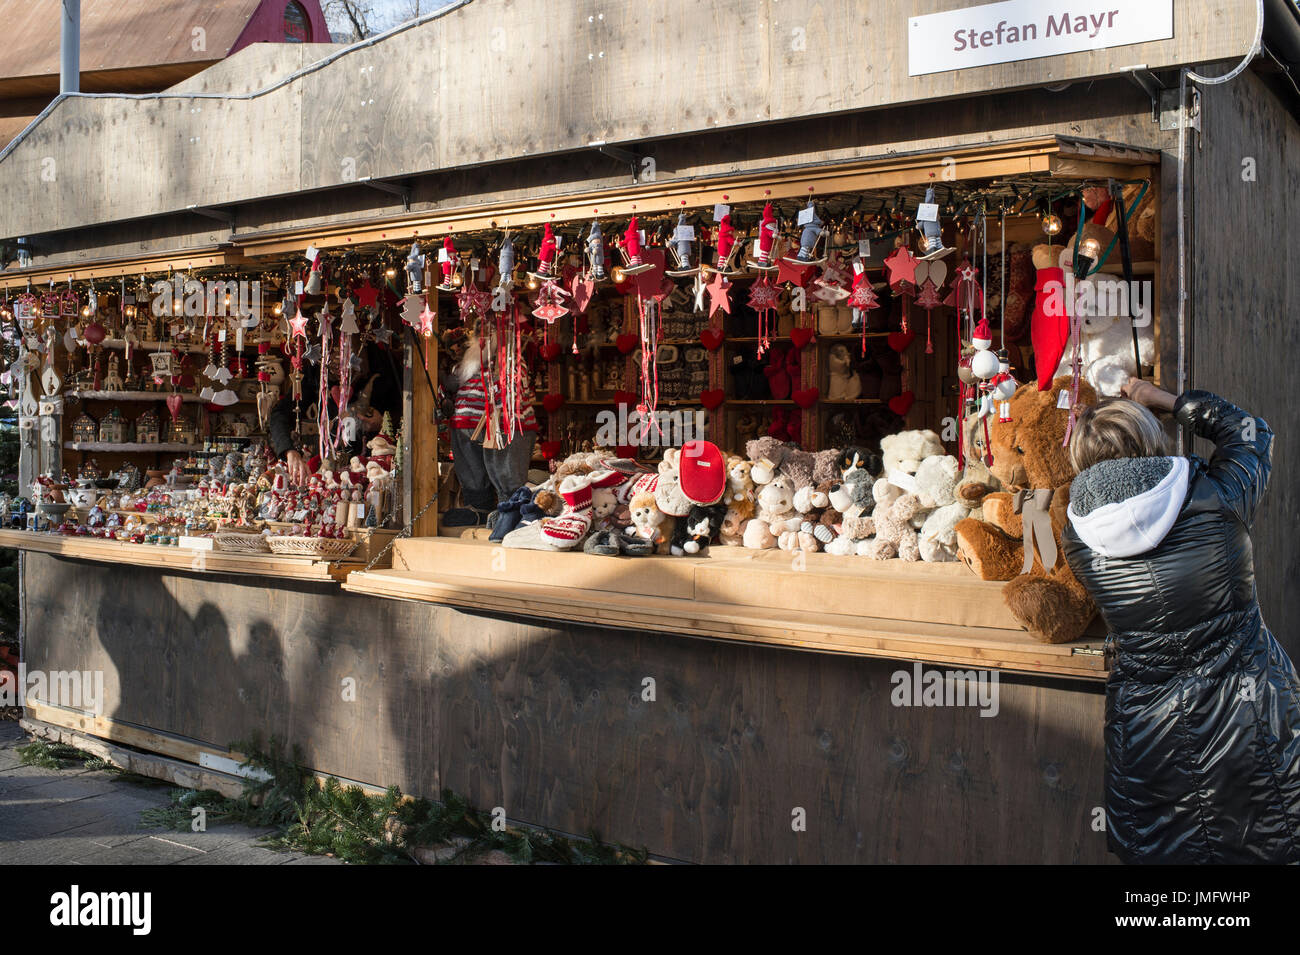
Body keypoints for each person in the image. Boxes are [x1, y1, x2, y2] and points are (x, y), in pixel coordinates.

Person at [1061, 376, 1300, 864]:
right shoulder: (1219, 497)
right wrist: (1163, 399)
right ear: (1153, 439)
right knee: (1268, 842)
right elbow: (1249, 430)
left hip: (1148, 734)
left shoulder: (1079, 540)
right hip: (1249, 716)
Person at [268, 341, 402, 485]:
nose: (340, 367)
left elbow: (408, 408)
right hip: (332, 466)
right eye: (333, 360)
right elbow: (280, 412)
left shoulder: (383, 364)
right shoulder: (316, 370)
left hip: (377, 468)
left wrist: (384, 422)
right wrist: (289, 451)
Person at [442, 330, 537, 526]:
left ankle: (510, 512)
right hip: (466, 424)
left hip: (502, 424)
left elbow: (516, 389)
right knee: (473, 476)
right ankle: (480, 510)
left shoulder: (509, 361)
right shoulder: (467, 364)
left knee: (508, 476)